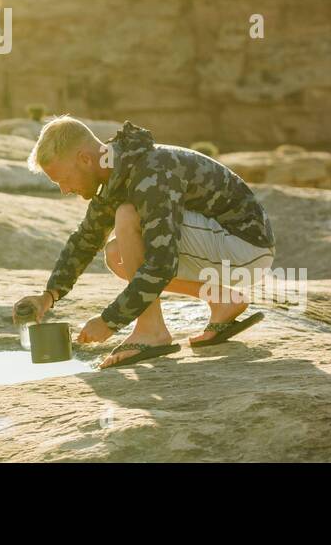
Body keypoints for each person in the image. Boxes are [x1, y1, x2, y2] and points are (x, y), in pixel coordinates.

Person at [14, 116, 276, 368]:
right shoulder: (116, 172)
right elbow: (85, 240)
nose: (65, 190)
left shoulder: (150, 171)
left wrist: (109, 321)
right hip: (225, 248)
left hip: (246, 246)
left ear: (84, 159)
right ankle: (222, 300)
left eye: (64, 179)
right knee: (117, 254)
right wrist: (48, 296)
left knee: (127, 216)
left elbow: (162, 264)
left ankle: (151, 331)